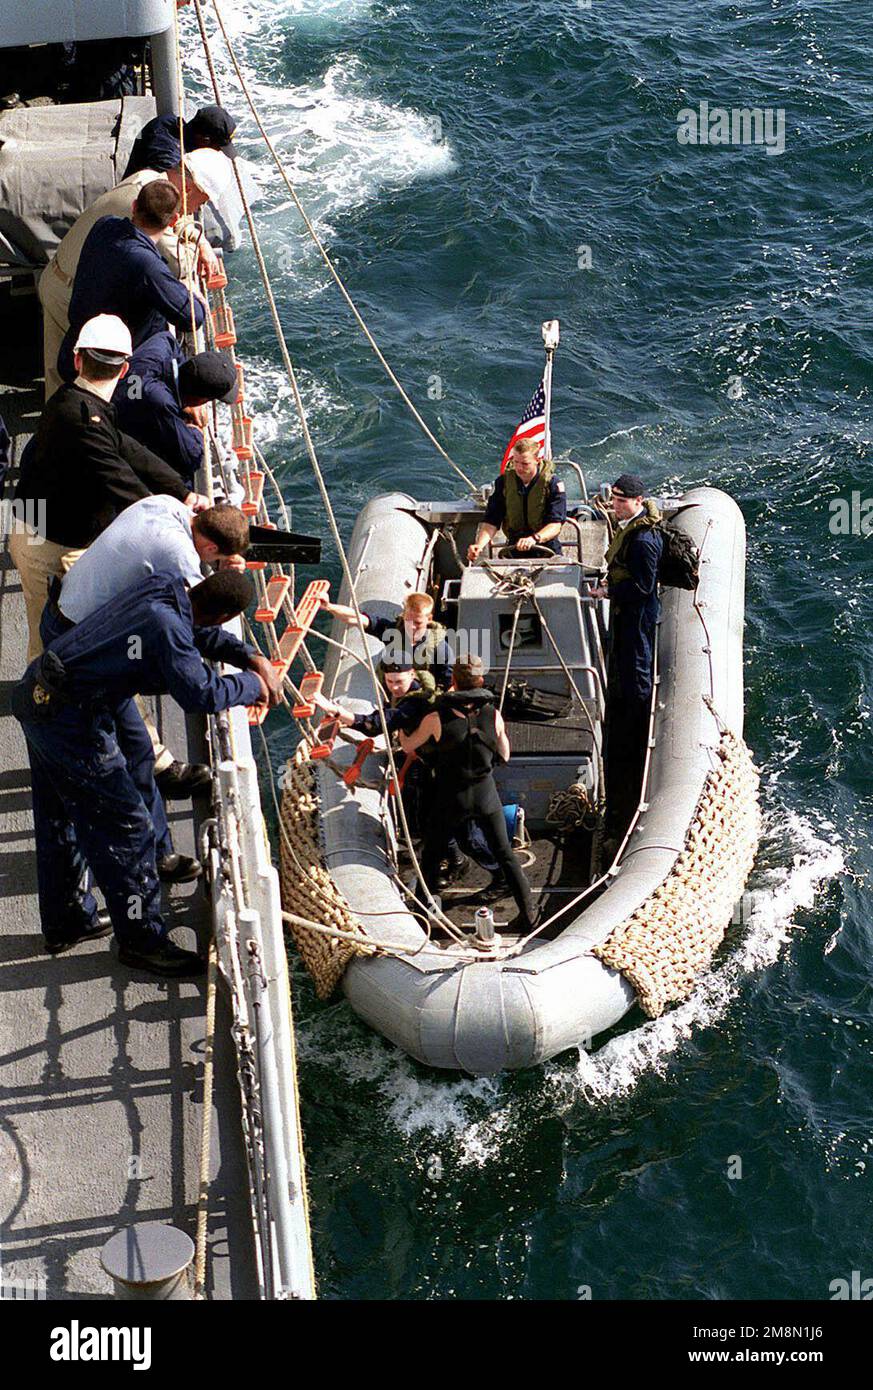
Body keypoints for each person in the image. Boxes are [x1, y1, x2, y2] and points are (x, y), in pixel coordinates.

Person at [12, 571, 281, 974]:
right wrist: (249, 684)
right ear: (221, 613)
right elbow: (200, 693)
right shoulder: (168, 627)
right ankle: (141, 939)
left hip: (40, 699)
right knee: (130, 831)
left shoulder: (165, 590)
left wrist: (246, 655)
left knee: (59, 816)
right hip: (71, 723)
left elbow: (190, 635)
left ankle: (66, 921)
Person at [10, 315, 201, 663]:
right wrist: (177, 516)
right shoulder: (84, 419)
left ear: (78, 359)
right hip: (49, 541)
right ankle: (39, 699)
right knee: (50, 639)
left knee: (55, 627)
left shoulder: (75, 401)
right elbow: (120, 480)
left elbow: (125, 447)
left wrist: (180, 492)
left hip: (40, 524)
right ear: (125, 369)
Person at [42, 496, 253, 803]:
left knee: (133, 718)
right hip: (82, 643)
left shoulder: (164, 503)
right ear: (210, 549)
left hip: (64, 612)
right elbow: (203, 614)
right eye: (216, 558)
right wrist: (249, 665)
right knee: (140, 675)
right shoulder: (181, 557)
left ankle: (149, 766)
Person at [38, 149, 231, 397]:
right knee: (80, 382)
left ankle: (59, 422)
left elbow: (165, 213)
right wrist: (194, 293)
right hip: (68, 293)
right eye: (200, 203)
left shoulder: (147, 182)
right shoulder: (146, 257)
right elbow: (179, 266)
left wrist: (198, 238)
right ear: (189, 191)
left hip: (64, 279)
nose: (195, 209)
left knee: (62, 373)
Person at [399, 655, 535, 929]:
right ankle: (529, 916)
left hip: (451, 798)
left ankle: (420, 919)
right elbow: (505, 754)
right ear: (481, 682)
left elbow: (408, 746)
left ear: (453, 682)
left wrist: (402, 727)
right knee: (505, 854)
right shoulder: (493, 714)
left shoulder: (436, 718)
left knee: (432, 856)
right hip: (486, 796)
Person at [56, 182, 206, 387]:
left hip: (75, 354)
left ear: (134, 206)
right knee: (122, 409)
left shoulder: (105, 225)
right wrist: (192, 293)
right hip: (111, 372)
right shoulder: (147, 266)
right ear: (174, 220)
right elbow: (192, 317)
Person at [589, 473, 664, 843]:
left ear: (637, 501)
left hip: (636, 618)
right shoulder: (634, 531)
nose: (615, 505)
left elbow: (643, 586)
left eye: (621, 501)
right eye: (614, 500)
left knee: (635, 672)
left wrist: (608, 591)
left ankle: (635, 729)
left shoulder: (645, 540)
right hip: (626, 615)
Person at [114, 333, 238, 489]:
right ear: (201, 400)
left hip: (121, 399)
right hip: (114, 432)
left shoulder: (161, 347)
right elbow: (191, 456)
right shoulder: (160, 403)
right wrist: (196, 431)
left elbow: (168, 339)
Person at [319, 591, 453, 690]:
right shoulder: (393, 632)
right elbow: (357, 618)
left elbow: (447, 682)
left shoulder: (440, 649)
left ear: (429, 619)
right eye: (408, 620)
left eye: (417, 622)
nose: (412, 627)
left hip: (420, 697)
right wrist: (329, 607)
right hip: (392, 688)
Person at [467, 438, 567, 563]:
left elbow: (555, 524)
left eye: (525, 464)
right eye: (516, 462)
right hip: (514, 548)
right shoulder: (504, 483)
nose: (519, 467)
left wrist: (534, 539)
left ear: (537, 460)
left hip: (546, 549)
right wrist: (479, 545)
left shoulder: (552, 484)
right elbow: (492, 520)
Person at [123, 105, 238, 179]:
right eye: (217, 148)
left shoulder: (168, 120)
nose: (217, 153)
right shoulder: (170, 161)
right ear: (204, 141)